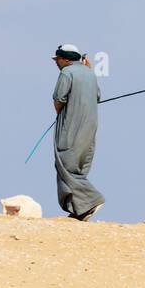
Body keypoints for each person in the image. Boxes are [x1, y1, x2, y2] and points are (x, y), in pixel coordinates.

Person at [51, 44, 105, 221]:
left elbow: (58, 100)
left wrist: (63, 113)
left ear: (65, 59)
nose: (56, 63)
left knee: (65, 165)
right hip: (90, 128)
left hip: (71, 128)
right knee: (79, 168)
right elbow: (97, 96)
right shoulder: (90, 73)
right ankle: (80, 210)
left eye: (57, 59)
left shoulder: (66, 73)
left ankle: (92, 199)